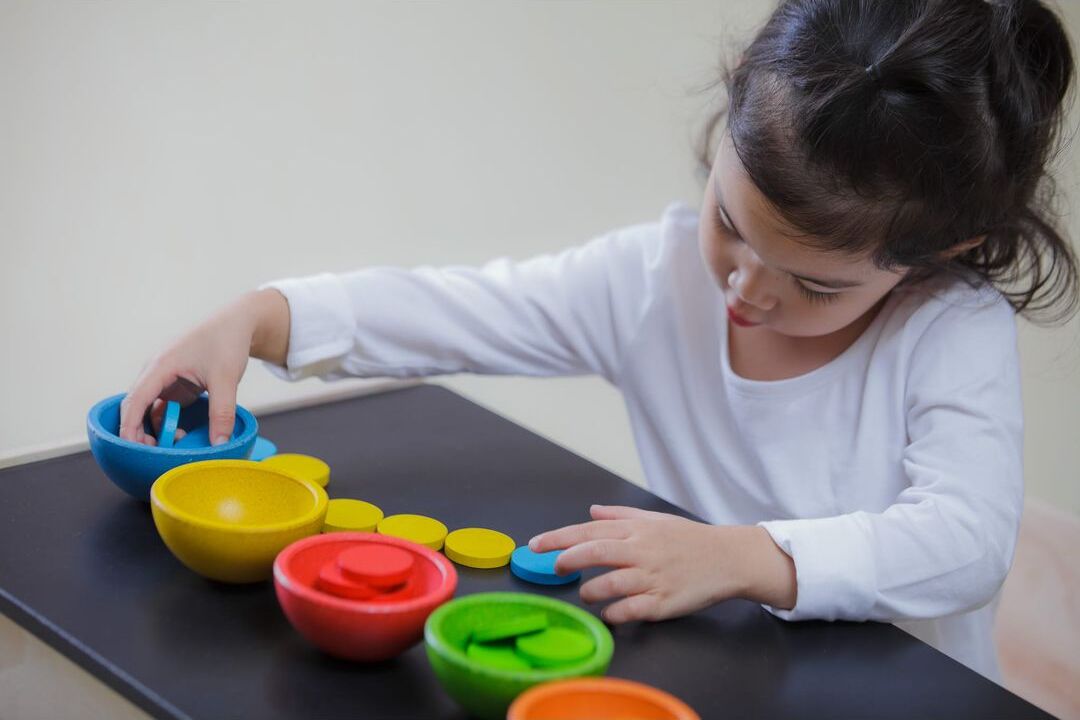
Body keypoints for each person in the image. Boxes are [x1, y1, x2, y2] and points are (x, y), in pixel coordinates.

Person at [119, 0, 1078, 681]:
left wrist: (739, 557)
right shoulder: (656, 279)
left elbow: (967, 542)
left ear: (944, 252)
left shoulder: (951, 331)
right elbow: (458, 308)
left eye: (815, 285)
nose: (744, 287)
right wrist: (256, 316)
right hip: (715, 661)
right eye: (731, 225)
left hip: (896, 687)